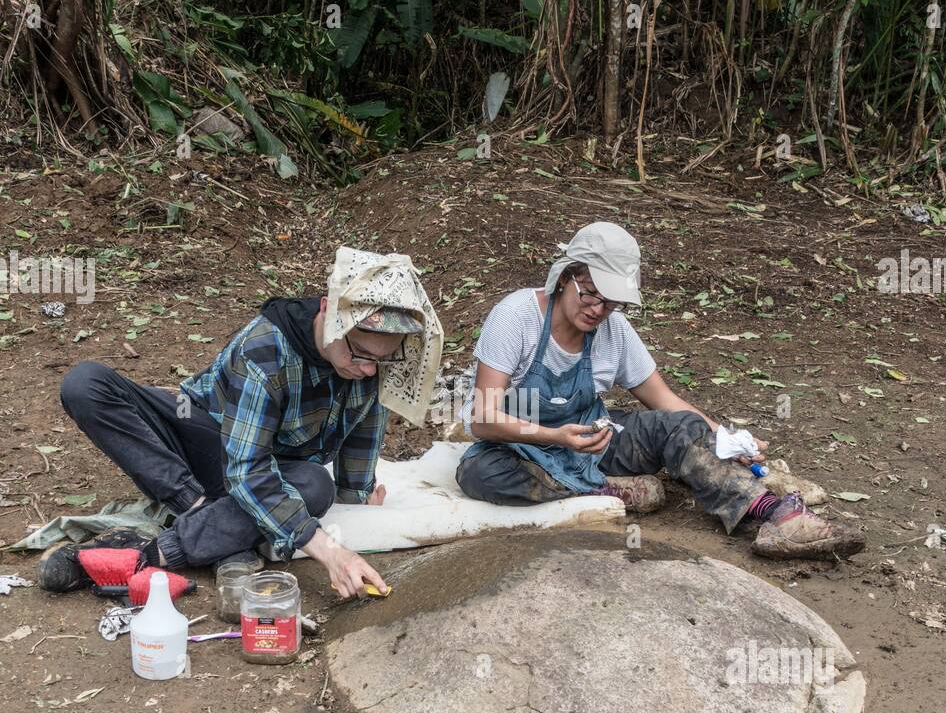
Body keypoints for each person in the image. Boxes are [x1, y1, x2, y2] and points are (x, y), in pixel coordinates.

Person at [40, 247, 443, 599]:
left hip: (277, 467)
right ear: (328, 311)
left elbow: (361, 437)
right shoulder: (266, 348)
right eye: (360, 354)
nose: (369, 369)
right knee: (86, 384)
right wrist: (330, 552)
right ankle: (199, 509)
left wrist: (356, 501)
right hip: (205, 435)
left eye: (381, 360)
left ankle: (154, 552)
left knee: (313, 485)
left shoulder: (372, 364)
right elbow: (245, 470)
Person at [456, 221, 864, 560]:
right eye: (591, 294)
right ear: (565, 277)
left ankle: (776, 514)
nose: (598, 310)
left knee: (678, 426)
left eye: (611, 302)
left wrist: (726, 439)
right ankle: (604, 489)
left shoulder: (614, 330)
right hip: (521, 444)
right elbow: (482, 419)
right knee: (480, 473)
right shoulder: (515, 316)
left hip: (592, 437)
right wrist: (554, 436)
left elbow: (665, 401)